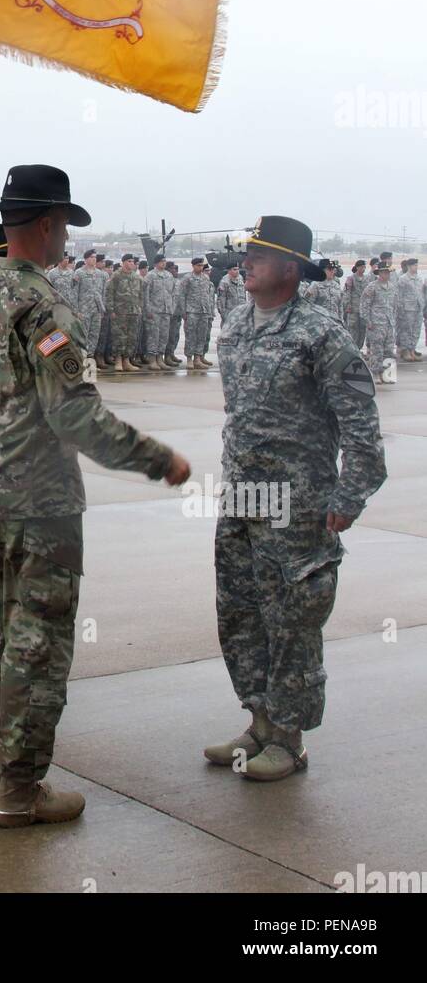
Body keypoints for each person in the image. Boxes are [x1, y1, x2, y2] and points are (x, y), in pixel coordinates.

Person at [0, 166, 190, 827]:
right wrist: (156, 458)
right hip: (39, 503)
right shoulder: (45, 308)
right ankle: (21, 788)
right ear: (47, 225)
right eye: (65, 228)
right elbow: (75, 417)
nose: (67, 241)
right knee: (37, 645)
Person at [206, 217, 386, 781]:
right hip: (242, 497)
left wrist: (350, 492)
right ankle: (259, 721)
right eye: (247, 253)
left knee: (293, 619)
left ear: (291, 268)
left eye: (259, 254)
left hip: (299, 503)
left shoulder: (321, 333)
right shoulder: (235, 325)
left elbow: (361, 422)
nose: (246, 262)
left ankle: (290, 737)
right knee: (240, 612)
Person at [360, 264, 398, 382]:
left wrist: (393, 319)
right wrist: (368, 321)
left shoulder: (392, 287)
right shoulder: (372, 287)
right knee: (377, 350)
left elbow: (395, 305)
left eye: (388, 272)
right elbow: (364, 305)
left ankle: (387, 375)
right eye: (385, 272)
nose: (387, 274)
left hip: (389, 324)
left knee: (389, 350)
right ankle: (375, 374)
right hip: (376, 324)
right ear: (379, 273)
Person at [142, 253, 175, 370]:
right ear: (156, 263)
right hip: (154, 311)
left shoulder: (169, 276)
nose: (164, 263)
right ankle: (152, 360)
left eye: (165, 261)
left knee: (164, 336)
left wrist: (171, 308)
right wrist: (147, 310)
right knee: (153, 336)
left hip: (166, 310)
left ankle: (160, 358)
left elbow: (172, 293)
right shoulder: (150, 276)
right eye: (162, 261)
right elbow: (145, 295)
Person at [181, 257, 215, 370]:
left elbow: (208, 295)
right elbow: (182, 295)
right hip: (191, 311)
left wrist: (209, 310)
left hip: (204, 311)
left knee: (202, 335)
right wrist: (184, 311)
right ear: (193, 266)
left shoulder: (206, 278)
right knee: (191, 335)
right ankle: (189, 359)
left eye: (201, 265)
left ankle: (198, 358)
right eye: (198, 265)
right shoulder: (187, 278)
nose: (200, 267)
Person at [396, 259, 424, 361]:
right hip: (407, 309)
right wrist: (400, 309)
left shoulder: (418, 278)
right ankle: (405, 351)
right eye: (414, 265)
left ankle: (412, 351)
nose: (416, 267)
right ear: (409, 266)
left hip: (418, 308)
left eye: (417, 265)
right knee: (406, 331)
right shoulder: (403, 279)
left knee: (416, 331)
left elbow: (421, 293)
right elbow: (399, 295)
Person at [341, 260, 368, 350]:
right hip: (353, 309)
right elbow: (347, 292)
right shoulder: (351, 278)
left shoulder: (366, 279)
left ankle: (359, 348)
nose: (363, 269)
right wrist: (347, 305)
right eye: (361, 267)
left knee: (362, 329)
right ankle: (352, 349)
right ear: (357, 267)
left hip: (363, 309)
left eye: (364, 267)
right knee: (353, 329)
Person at [164, 262, 184, 366]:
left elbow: (181, 297)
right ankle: (167, 356)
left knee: (175, 335)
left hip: (178, 312)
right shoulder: (167, 281)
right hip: (170, 312)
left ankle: (171, 353)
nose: (175, 271)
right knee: (169, 336)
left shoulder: (178, 282)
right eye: (173, 269)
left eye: (176, 269)